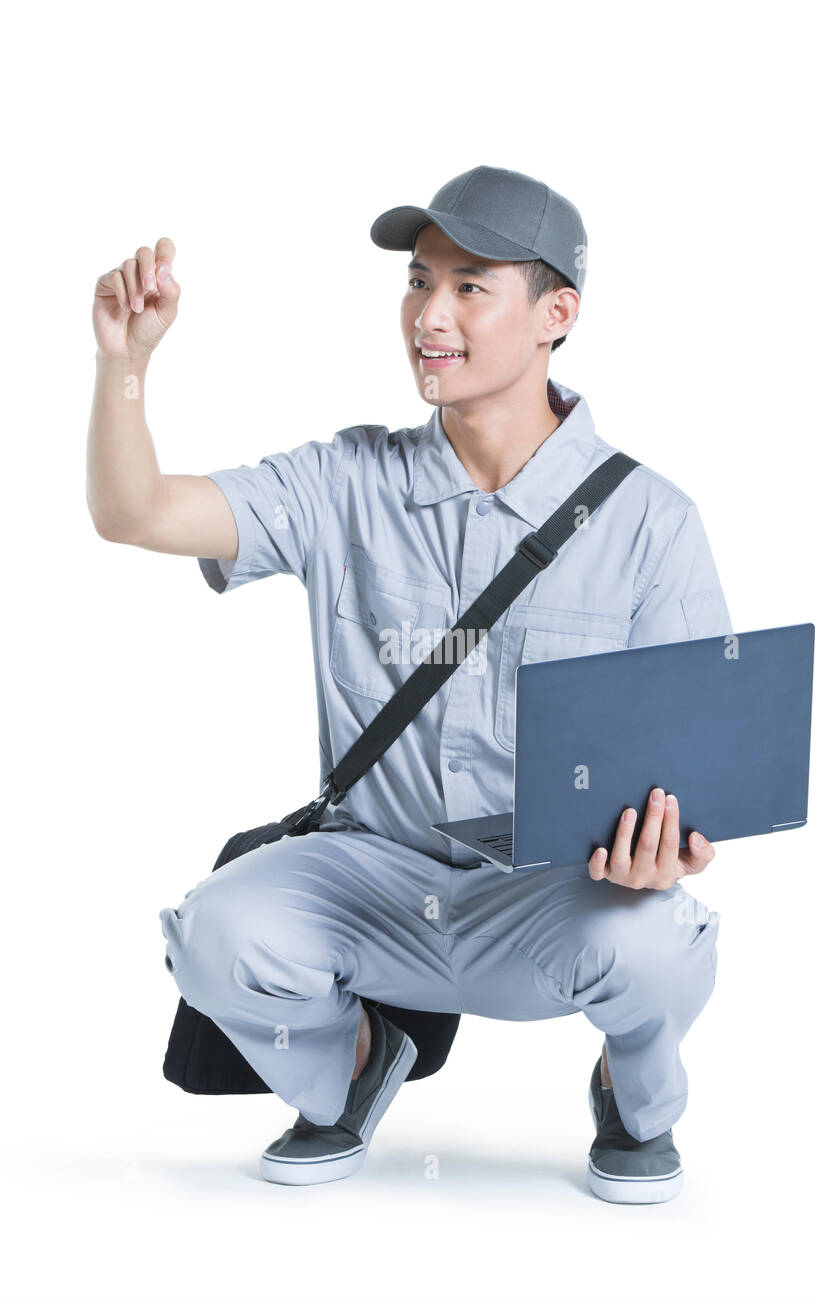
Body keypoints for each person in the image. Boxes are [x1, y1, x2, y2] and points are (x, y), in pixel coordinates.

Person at [87, 165, 728, 1203]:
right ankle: (351, 1062)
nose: (428, 314)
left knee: (658, 944)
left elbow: (700, 769)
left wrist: (667, 847)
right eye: (418, 280)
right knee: (214, 931)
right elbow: (137, 513)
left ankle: (632, 1093)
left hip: (550, 899)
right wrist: (124, 367)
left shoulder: (651, 522)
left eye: (470, 286)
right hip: (371, 887)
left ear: (554, 314)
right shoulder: (343, 478)